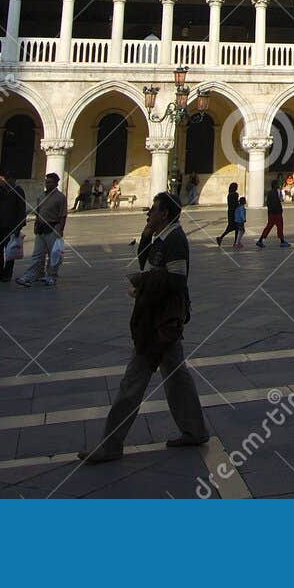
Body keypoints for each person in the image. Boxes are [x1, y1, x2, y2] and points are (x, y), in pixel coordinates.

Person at [79, 194, 208, 463]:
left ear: (166, 214)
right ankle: (195, 430)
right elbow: (146, 262)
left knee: (133, 382)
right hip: (160, 320)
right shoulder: (161, 238)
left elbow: (177, 279)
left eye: (154, 210)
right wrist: (146, 236)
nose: (149, 213)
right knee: (176, 377)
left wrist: (142, 282)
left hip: (160, 322)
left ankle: (110, 444)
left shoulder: (175, 240)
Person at [18, 172, 69, 286]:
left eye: (50, 182)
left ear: (56, 183)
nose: (47, 184)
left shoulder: (60, 197)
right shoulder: (41, 196)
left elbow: (63, 215)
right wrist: (36, 225)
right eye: (46, 182)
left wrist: (60, 230)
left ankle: (51, 275)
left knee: (53, 254)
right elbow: (38, 212)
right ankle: (34, 274)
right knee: (37, 253)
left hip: (53, 227)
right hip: (41, 228)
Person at [0, 174, 27, 282]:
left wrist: (19, 226)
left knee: (10, 251)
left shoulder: (18, 190)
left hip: (11, 225)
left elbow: (22, 209)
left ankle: (7, 274)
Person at [256, 176, 289, 248]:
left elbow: (268, 203)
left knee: (268, 227)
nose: (278, 185)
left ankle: (260, 240)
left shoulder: (270, 192)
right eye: (277, 184)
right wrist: (279, 210)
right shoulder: (274, 193)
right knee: (280, 227)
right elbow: (275, 203)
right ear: (275, 185)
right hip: (276, 213)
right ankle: (282, 242)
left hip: (271, 213)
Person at [216, 182, 243, 248]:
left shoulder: (229, 194)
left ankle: (224, 239)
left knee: (232, 227)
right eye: (236, 187)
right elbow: (235, 204)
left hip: (230, 212)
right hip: (235, 213)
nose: (237, 188)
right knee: (235, 227)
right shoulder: (235, 194)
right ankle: (234, 242)